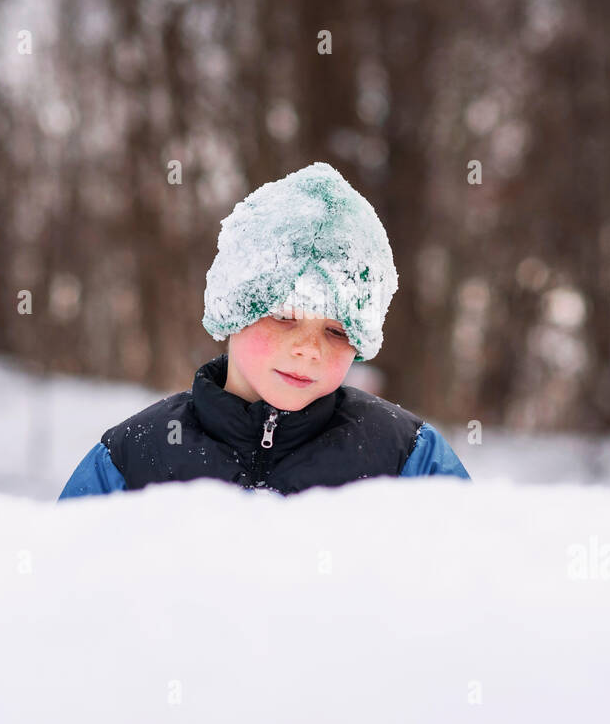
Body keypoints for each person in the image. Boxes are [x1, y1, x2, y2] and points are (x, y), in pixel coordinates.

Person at [58, 161, 470, 499]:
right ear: (234, 308)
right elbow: (62, 584)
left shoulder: (406, 458)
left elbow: (472, 581)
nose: (309, 349)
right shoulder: (133, 458)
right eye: (286, 316)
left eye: (337, 330)